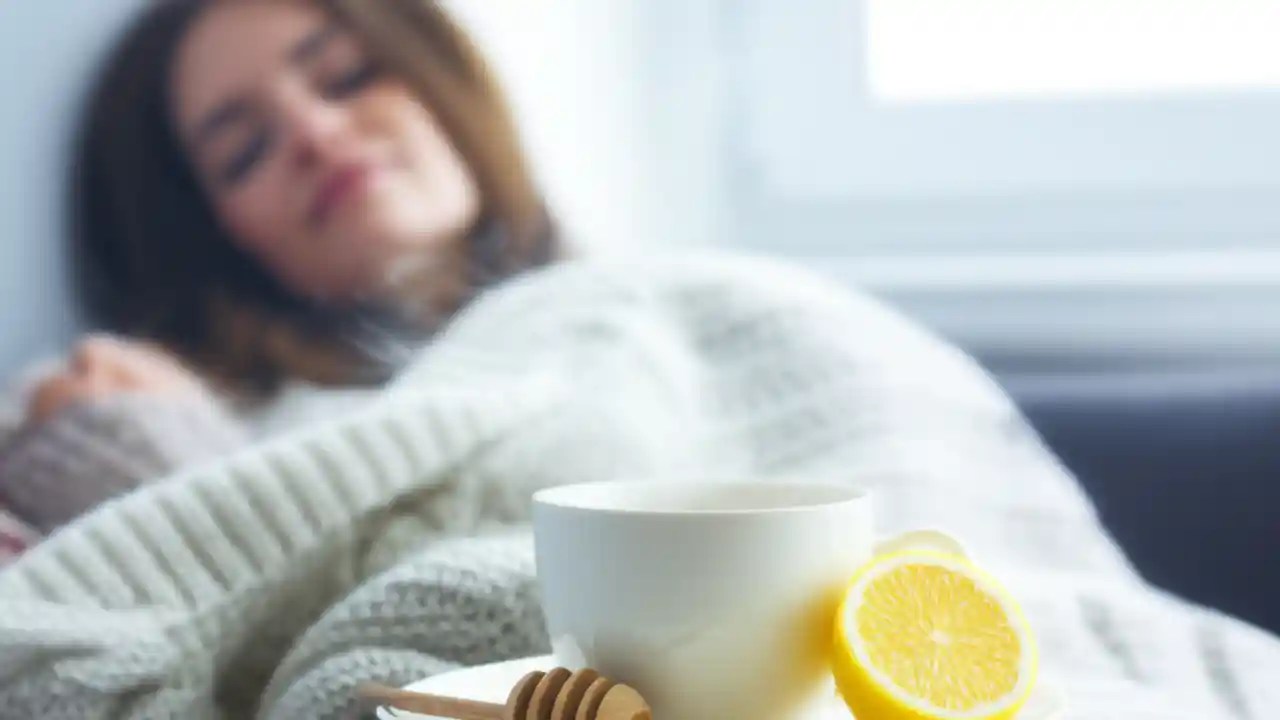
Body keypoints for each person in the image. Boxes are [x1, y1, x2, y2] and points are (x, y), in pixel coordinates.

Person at [0, 0, 561, 541]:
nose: (316, 133)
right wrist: (175, 476)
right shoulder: (131, 413)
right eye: (246, 152)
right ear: (212, 238)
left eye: (348, 77)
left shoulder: (602, 315)